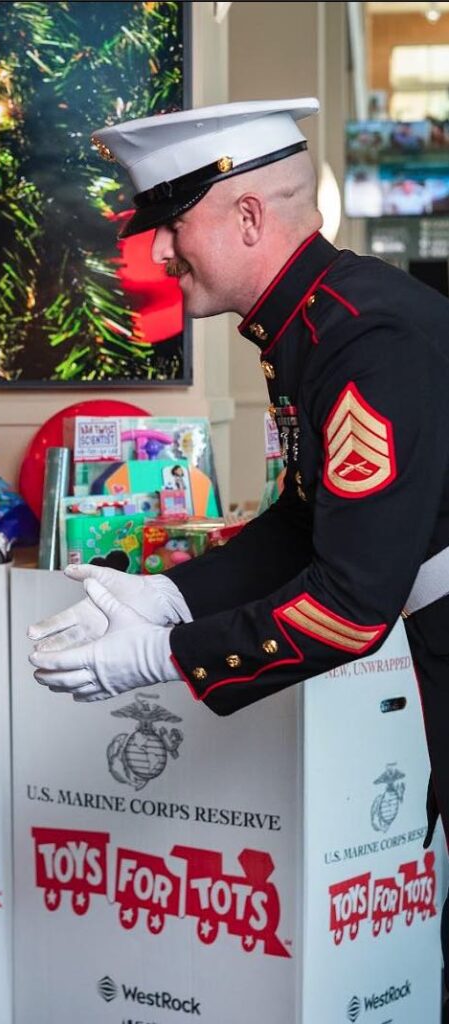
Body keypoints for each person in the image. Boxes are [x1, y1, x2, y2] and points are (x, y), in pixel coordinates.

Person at [27, 98, 449, 963]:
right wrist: (168, 595)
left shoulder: (362, 333)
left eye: (171, 224)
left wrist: (161, 655)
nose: (158, 249)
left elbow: (351, 605)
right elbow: (310, 513)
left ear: (249, 215)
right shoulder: (314, 321)